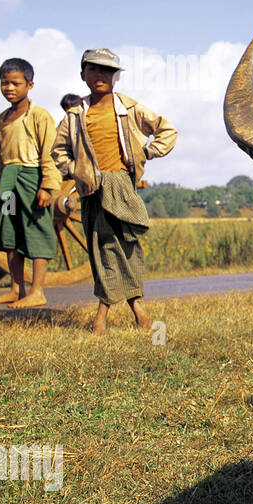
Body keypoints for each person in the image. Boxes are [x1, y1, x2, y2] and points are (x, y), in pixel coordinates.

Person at [52, 48, 177, 333]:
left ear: (116, 77)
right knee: (102, 248)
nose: (100, 75)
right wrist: (75, 170)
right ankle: (122, 313)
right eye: (93, 69)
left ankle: (117, 313)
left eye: (107, 70)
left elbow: (167, 131)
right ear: (83, 75)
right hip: (91, 189)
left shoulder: (130, 108)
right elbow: (58, 151)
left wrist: (148, 152)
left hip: (121, 186)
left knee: (127, 246)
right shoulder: (74, 116)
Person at [0, 58, 60, 308]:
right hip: (9, 183)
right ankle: (17, 289)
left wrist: (46, 186)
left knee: (36, 231)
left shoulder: (38, 115)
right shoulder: (2, 118)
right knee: (10, 233)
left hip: (31, 179)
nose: (9, 88)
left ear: (30, 85)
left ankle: (37, 291)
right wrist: (0, 182)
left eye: (15, 83)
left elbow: (49, 152)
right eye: (4, 83)